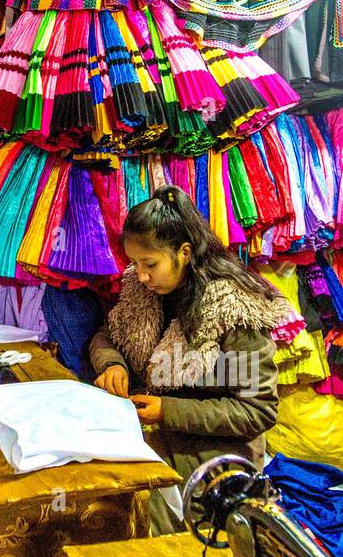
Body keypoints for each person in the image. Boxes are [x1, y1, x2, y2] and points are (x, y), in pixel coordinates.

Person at [89, 185, 282, 534]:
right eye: (134, 263)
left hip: (213, 463)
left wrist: (168, 411)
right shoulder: (142, 290)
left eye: (150, 264)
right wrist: (112, 363)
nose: (142, 275)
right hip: (155, 438)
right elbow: (107, 334)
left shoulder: (234, 309)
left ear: (184, 252)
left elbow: (258, 411)